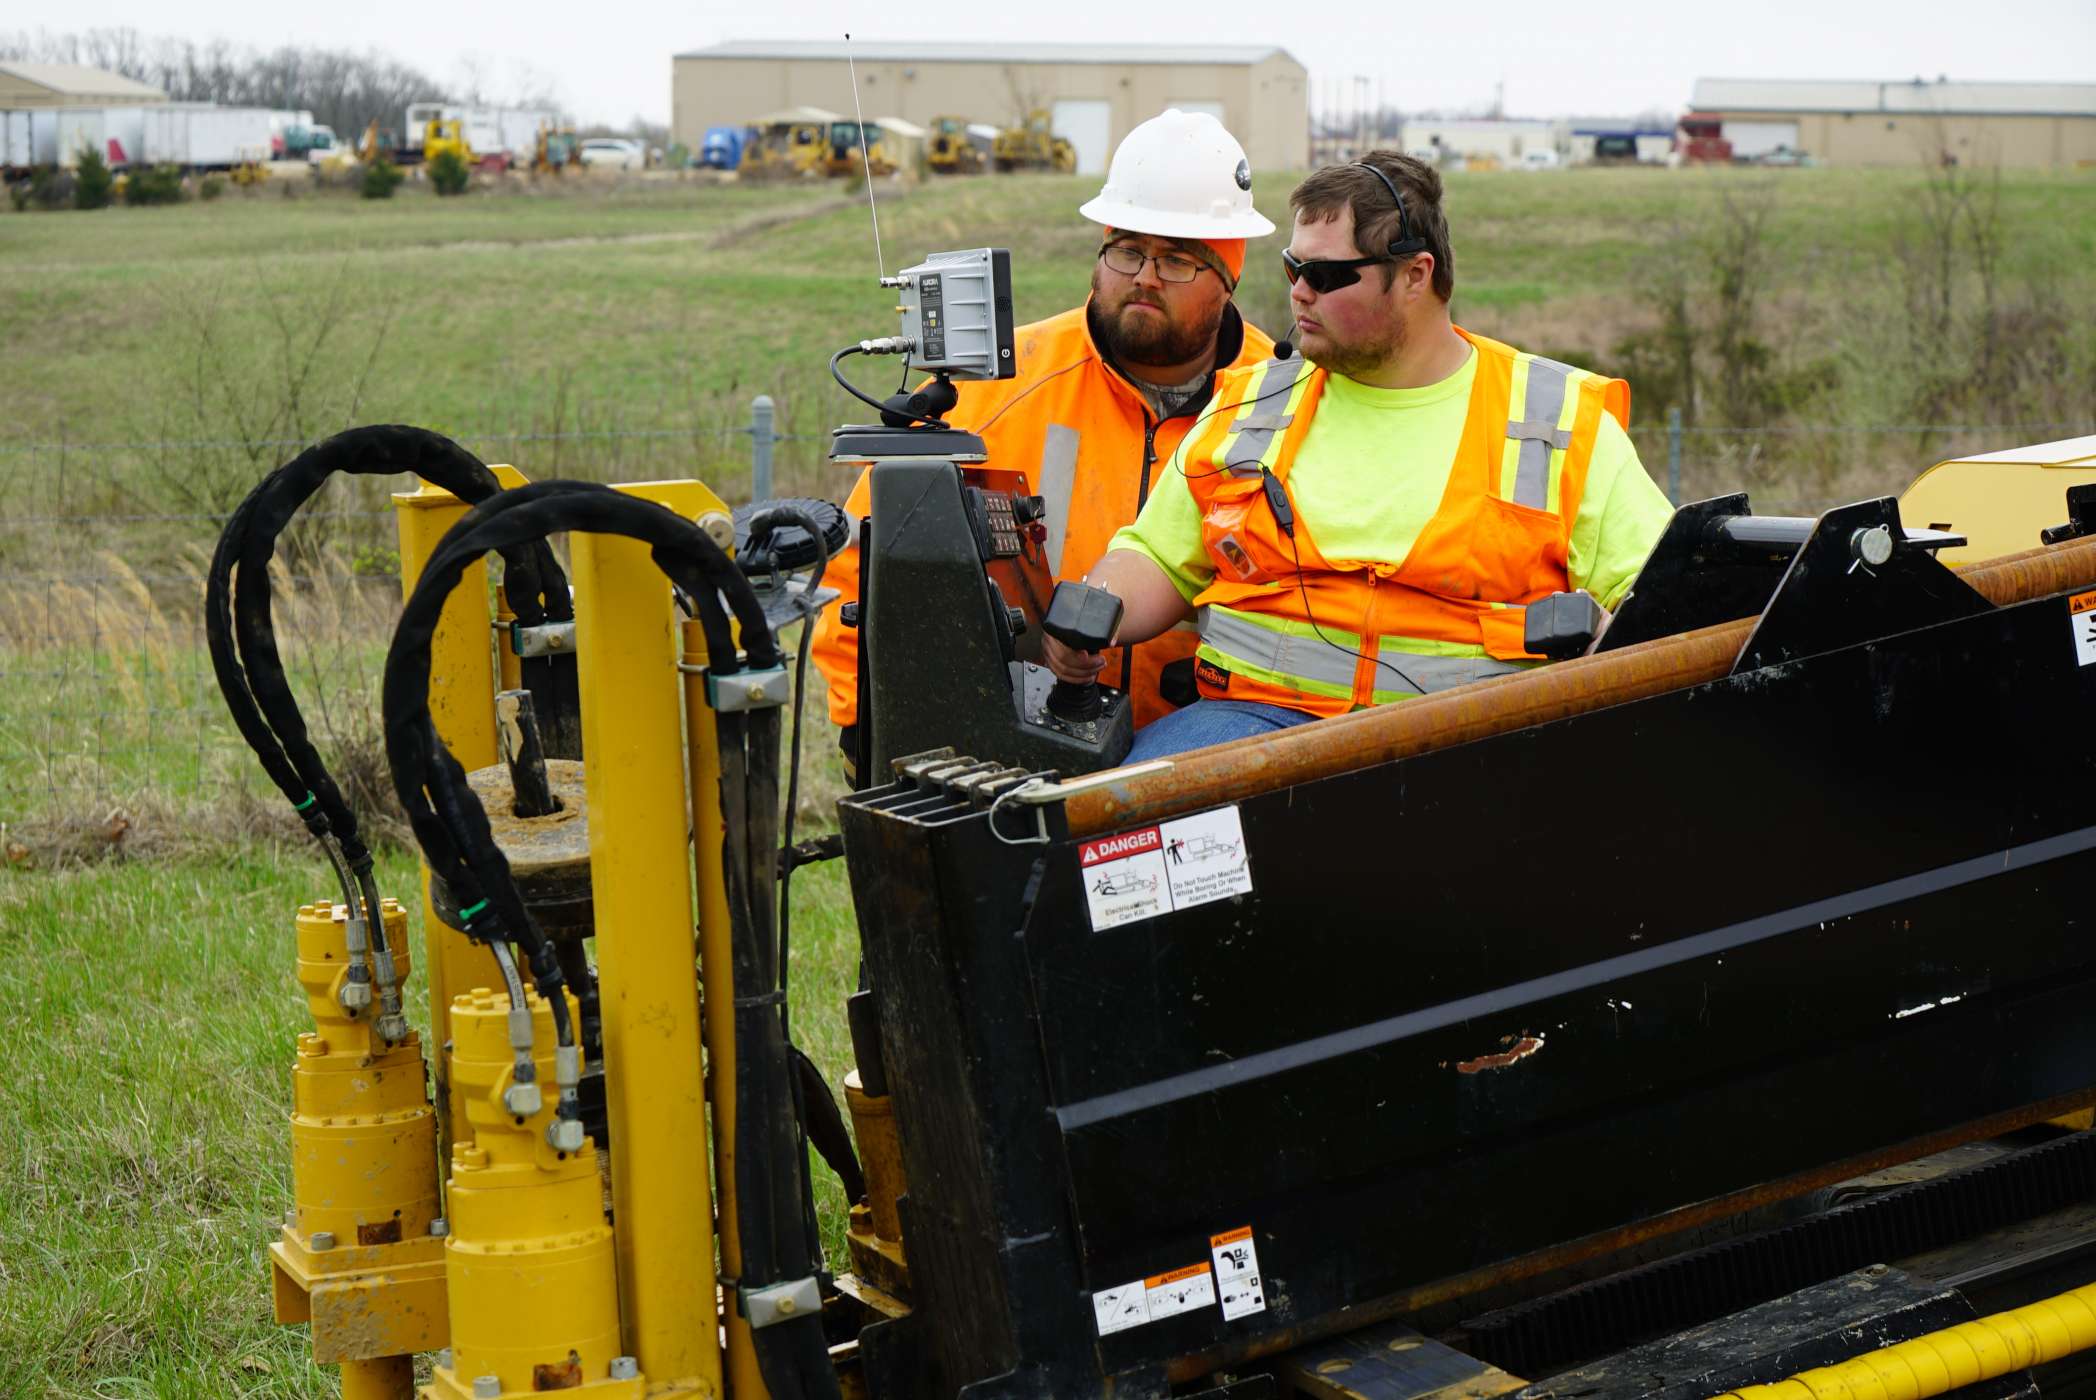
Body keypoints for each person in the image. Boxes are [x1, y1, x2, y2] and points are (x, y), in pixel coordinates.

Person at [1042, 152, 1675, 763]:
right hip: (1247, 727)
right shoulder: (1252, 403)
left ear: (1415, 276)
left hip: (1477, 739)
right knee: (1125, 852)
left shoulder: (1554, 418)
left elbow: (1659, 596)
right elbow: (1157, 555)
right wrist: (1096, 611)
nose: (1299, 294)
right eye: (1294, 269)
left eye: (1325, 276)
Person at [810, 109, 1278, 765]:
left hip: (1208, 761)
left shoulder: (1279, 400)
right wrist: (868, 718)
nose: (1144, 276)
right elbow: (868, 564)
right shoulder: (1000, 382)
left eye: (1176, 260)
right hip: (1009, 757)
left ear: (1228, 280)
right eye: (1127, 250)